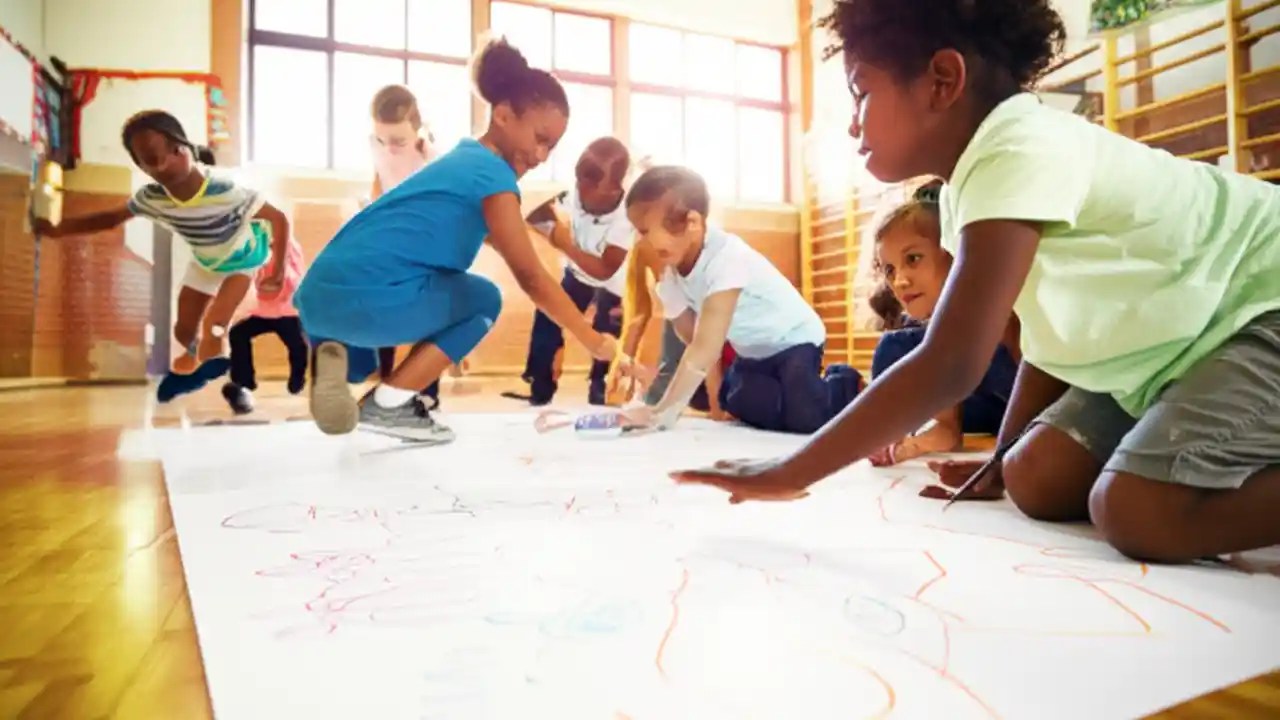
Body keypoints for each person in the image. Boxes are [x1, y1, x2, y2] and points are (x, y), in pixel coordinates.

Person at [673, 0, 1280, 564]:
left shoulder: (1018, 147)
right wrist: (998, 458)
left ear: (943, 80)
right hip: (1181, 343)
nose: (853, 124)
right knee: (1032, 476)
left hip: (1260, 304)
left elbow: (951, 363)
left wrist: (790, 471)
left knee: (1136, 510)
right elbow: (1039, 341)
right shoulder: (972, 186)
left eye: (861, 94)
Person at [294, 36, 616, 443]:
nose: (540, 156)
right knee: (483, 298)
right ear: (501, 115)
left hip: (321, 299)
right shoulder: (492, 177)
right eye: (538, 138)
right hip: (370, 298)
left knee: (427, 303)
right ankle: (391, 403)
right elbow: (531, 278)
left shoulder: (461, 162)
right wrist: (594, 341)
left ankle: (339, 360)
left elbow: (505, 243)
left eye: (551, 146)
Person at [35, 110, 290, 402]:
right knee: (183, 331)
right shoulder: (152, 199)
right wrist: (57, 229)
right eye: (152, 159)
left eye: (176, 151)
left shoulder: (225, 189)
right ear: (142, 166)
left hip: (243, 260)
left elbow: (279, 218)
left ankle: (225, 372)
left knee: (215, 325)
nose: (166, 162)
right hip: (206, 263)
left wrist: (278, 270)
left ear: (187, 148)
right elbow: (109, 219)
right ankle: (197, 361)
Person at [619, 166, 862, 434]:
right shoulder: (672, 272)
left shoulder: (726, 258)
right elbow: (693, 339)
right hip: (753, 352)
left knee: (806, 418)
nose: (639, 243)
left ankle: (844, 382)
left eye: (643, 232)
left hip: (795, 340)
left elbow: (705, 348)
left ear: (692, 223)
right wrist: (665, 287)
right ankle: (781, 396)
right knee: (737, 403)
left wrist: (663, 413)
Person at [864, 180, 1019, 467]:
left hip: (1023, 411)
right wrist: (908, 446)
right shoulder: (940, 334)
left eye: (913, 259)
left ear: (956, 254)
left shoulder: (1007, 314)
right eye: (889, 269)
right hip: (977, 404)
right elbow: (948, 431)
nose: (899, 281)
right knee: (894, 345)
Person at [506, 137, 633, 406]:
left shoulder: (627, 215)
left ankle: (601, 387)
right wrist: (552, 229)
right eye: (579, 187)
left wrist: (565, 243)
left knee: (607, 328)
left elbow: (604, 269)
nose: (582, 199)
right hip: (576, 275)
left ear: (613, 189)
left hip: (614, 284)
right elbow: (536, 216)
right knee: (547, 313)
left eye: (591, 194)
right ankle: (540, 384)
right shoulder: (576, 194)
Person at [222, 234, 309, 414]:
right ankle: (244, 384)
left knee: (298, 345)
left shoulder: (289, 246)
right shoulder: (253, 246)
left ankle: (297, 379)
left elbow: (295, 278)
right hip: (262, 311)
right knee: (238, 334)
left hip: (287, 311)